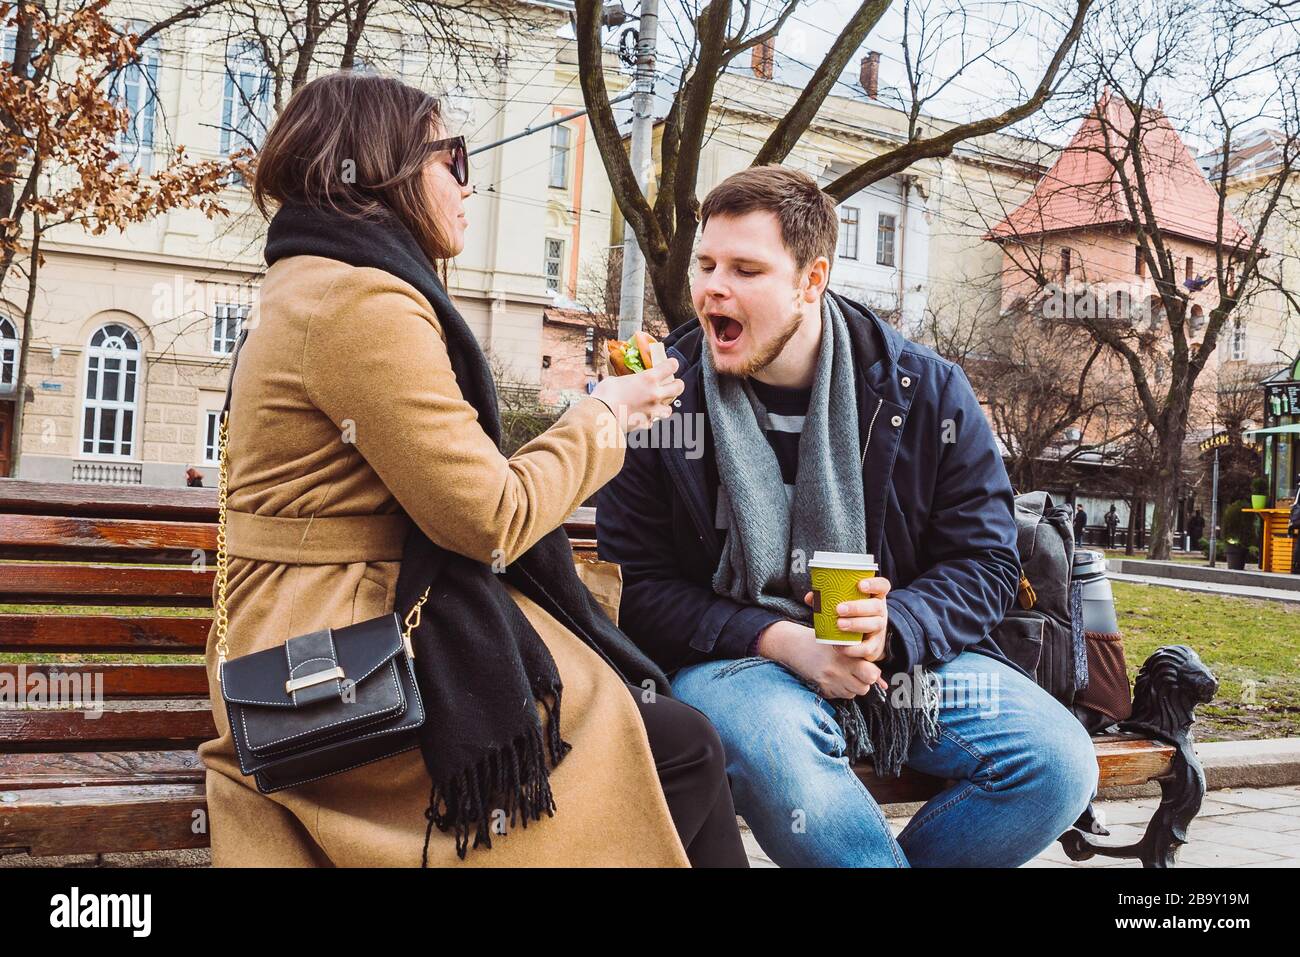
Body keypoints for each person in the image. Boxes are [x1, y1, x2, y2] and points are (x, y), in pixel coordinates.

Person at [198, 72, 748, 868]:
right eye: (451, 155)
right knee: (676, 745)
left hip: (315, 631)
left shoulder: (316, 278)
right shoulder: (359, 302)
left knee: (677, 739)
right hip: (335, 675)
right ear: (383, 165)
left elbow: (457, 491)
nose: (468, 179)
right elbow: (488, 518)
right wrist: (605, 415)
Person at [596, 165, 1097, 868]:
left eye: (746, 268)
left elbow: (985, 562)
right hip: (732, 663)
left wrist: (897, 626)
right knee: (774, 743)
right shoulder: (661, 399)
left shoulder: (925, 389)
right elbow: (635, 588)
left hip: (898, 660)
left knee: (1059, 765)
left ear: (811, 279)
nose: (712, 285)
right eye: (706, 262)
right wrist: (779, 639)